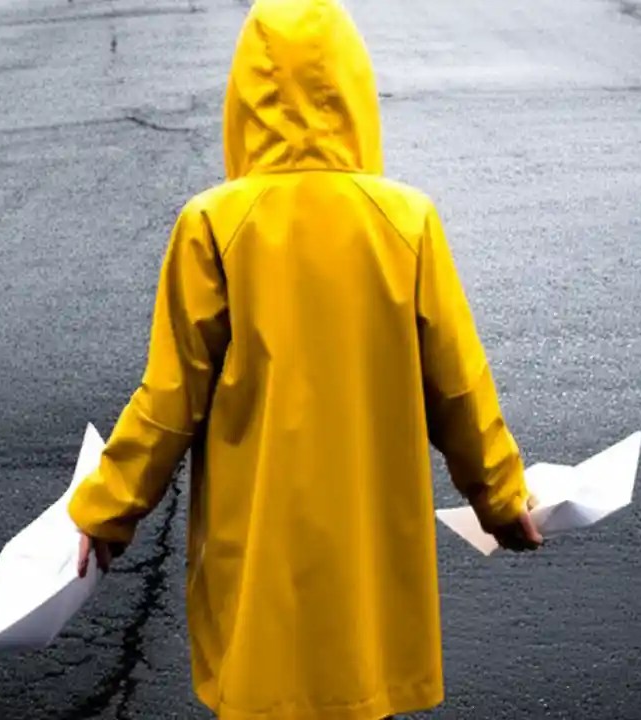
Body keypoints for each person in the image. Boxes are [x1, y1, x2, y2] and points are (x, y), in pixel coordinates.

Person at [67, 0, 542, 717]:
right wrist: (500, 499)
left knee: (263, 681)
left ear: (244, 99)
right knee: (359, 681)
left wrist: (107, 512)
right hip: (366, 563)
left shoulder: (213, 225)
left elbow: (169, 401)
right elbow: (458, 386)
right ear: (356, 91)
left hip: (258, 557)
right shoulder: (406, 222)